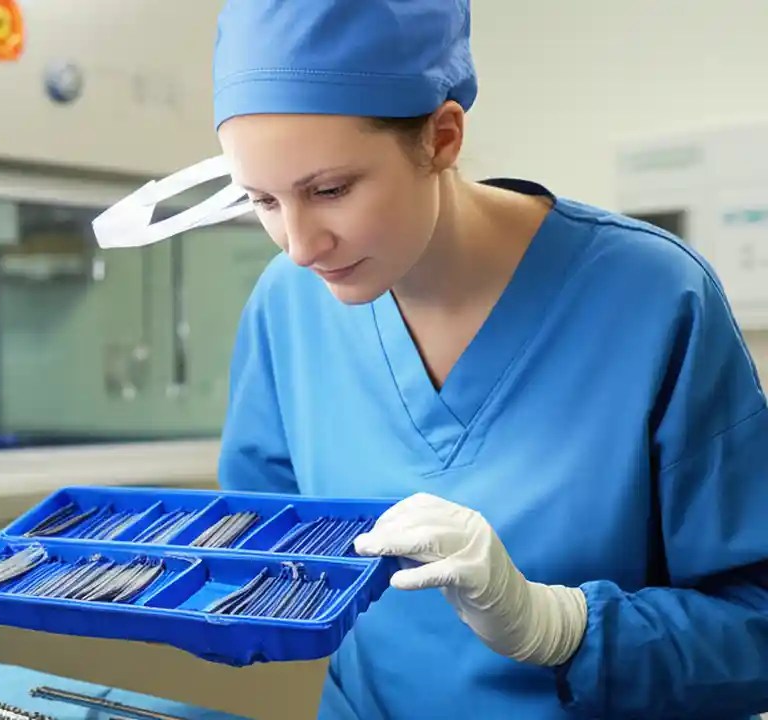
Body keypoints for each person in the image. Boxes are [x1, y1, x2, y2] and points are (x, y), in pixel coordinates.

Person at [94, 0, 768, 717]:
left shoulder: (653, 298)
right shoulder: (287, 303)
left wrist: (561, 627)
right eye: (262, 200)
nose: (298, 244)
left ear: (443, 136)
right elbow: (265, 557)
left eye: (330, 190)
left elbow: (755, 627)